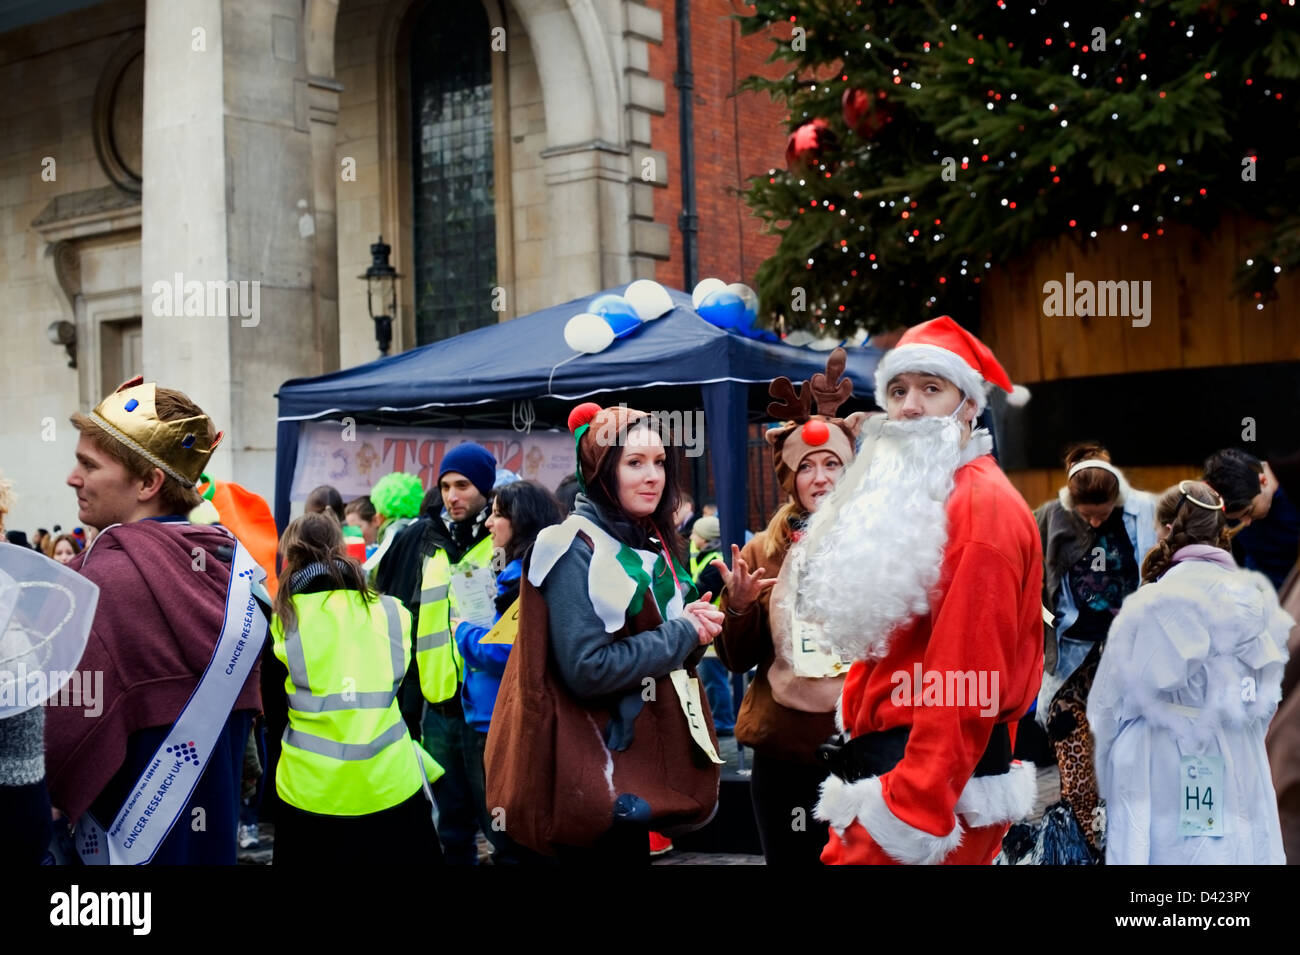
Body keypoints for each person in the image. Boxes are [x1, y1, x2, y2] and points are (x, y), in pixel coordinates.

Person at [797, 317, 1042, 865]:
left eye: (932, 389)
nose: (909, 407)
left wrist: (908, 809)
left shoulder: (979, 509)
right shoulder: (932, 494)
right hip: (898, 780)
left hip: (926, 803)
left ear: (969, 407)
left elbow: (968, 678)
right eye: (898, 390)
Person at [488, 402, 724, 864]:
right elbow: (588, 670)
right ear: (600, 471)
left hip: (626, 784)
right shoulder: (570, 546)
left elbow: (666, 649)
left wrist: (710, 619)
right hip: (583, 786)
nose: (653, 475)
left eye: (659, 462)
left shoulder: (648, 542)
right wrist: (683, 633)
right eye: (634, 463)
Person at [47, 377, 264, 864]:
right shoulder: (233, 571)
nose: (72, 477)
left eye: (88, 465)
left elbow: (45, 756)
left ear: (149, 483)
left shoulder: (96, 586)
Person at [712, 349, 867, 864]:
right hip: (783, 748)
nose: (820, 478)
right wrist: (737, 608)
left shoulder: (882, 547)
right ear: (790, 478)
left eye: (832, 464)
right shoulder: (762, 550)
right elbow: (736, 659)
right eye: (807, 467)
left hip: (862, 742)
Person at [1088, 481, 1292, 864]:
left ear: (1167, 530)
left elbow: (1109, 703)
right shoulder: (1252, 597)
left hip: (1165, 754)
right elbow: (1267, 696)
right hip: (1233, 750)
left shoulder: (1151, 601)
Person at [265, 512, 443, 865]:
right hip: (393, 786)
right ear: (342, 548)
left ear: (290, 557)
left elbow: (273, 714)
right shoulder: (393, 612)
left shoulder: (282, 621)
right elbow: (407, 696)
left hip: (310, 794)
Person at [376, 442, 497, 864]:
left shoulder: (501, 540)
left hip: (487, 712)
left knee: (500, 825)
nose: (452, 495)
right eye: (445, 486)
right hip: (438, 709)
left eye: (462, 485)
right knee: (448, 830)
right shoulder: (424, 541)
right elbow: (404, 619)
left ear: (485, 487)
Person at [1033, 443, 1156, 855]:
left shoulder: (1141, 515)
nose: (1095, 518)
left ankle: (1131, 830)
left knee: (1125, 733)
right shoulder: (1052, 519)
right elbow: (1034, 587)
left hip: (1128, 642)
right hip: (1076, 645)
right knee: (1066, 723)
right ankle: (1082, 832)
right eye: (1087, 513)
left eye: (1102, 511)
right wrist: (1048, 627)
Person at [451, 480, 561, 864]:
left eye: (498, 514)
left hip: (505, 721)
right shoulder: (519, 571)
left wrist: (462, 630)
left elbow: (503, 652)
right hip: (496, 716)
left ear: (522, 520)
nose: (489, 524)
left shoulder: (524, 577)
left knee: (509, 838)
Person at [1203, 448, 1300, 591]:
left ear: (1263, 480)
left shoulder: (1292, 478)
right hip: (1256, 587)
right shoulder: (1216, 496)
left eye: (1249, 511)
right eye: (1237, 518)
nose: (1246, 523)